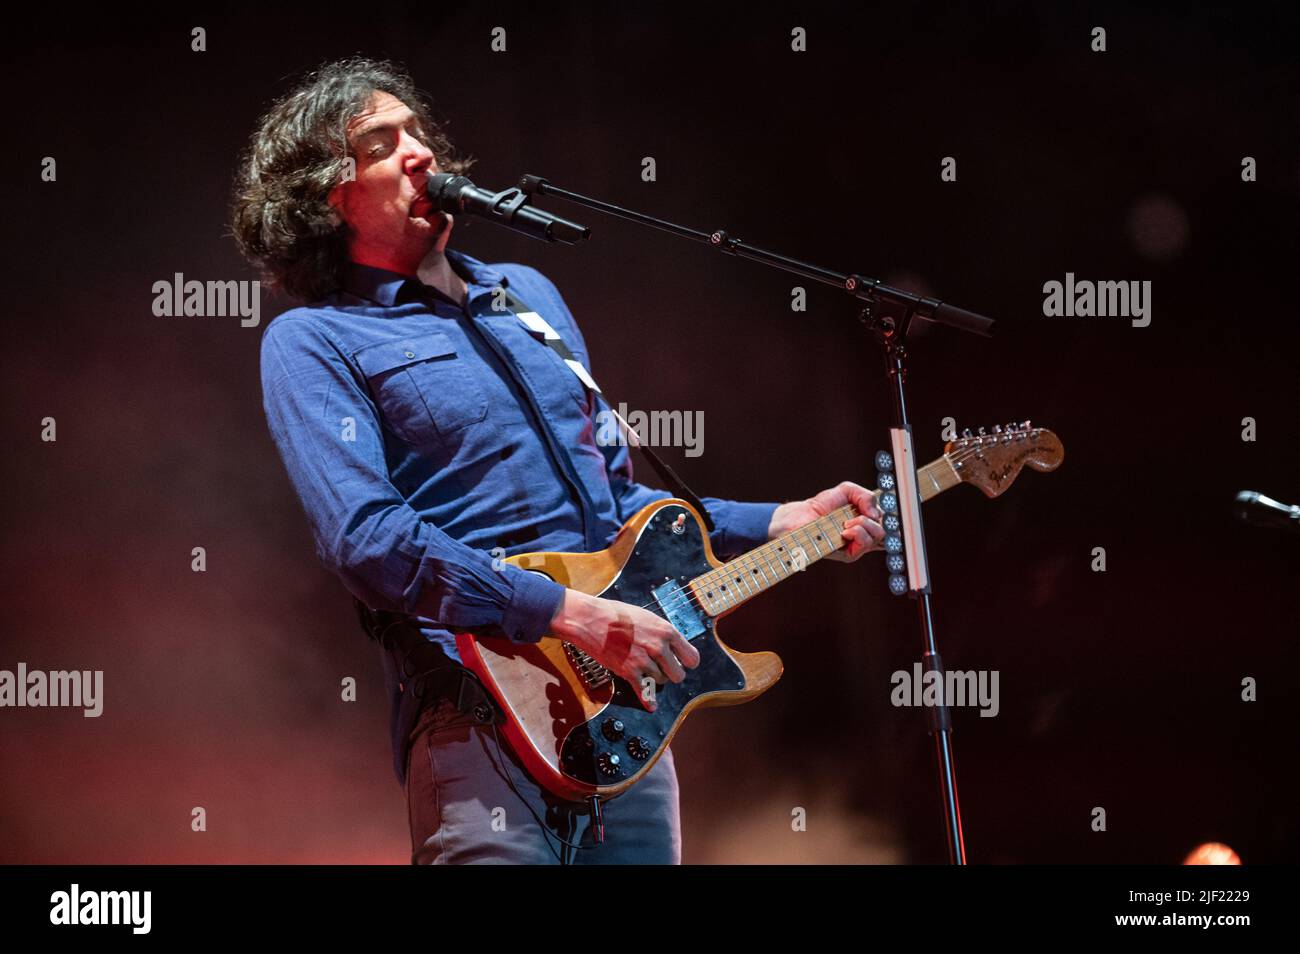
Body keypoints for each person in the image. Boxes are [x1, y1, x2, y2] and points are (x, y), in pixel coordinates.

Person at [232, 57, 885, 864]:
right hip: (481, 719)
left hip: (627, 720)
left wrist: (781, 519)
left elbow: (616, 507)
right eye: (380, 142)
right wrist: (564, 612)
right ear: (327, 196)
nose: (419, 153)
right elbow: (365, 539)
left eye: (418, 132)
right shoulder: (317, 340)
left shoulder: (529, 298)